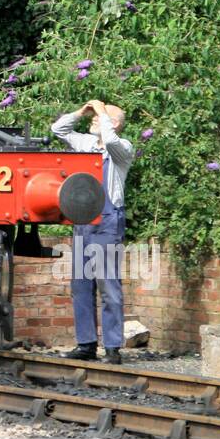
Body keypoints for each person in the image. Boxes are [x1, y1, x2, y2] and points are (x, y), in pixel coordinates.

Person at [51, 98, 135, 363]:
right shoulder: (86, 144)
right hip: (83, 220)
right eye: (96, 115)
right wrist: (81, 112)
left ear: (115, 123)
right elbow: (58, 130)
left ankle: (112, 347)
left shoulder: (123, 148)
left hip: (108, 222)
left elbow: (110, 141)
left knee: (108, 285)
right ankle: (86, 344)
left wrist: (101, 110)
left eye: (101, 116)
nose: (95, 118)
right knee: (80, 285)